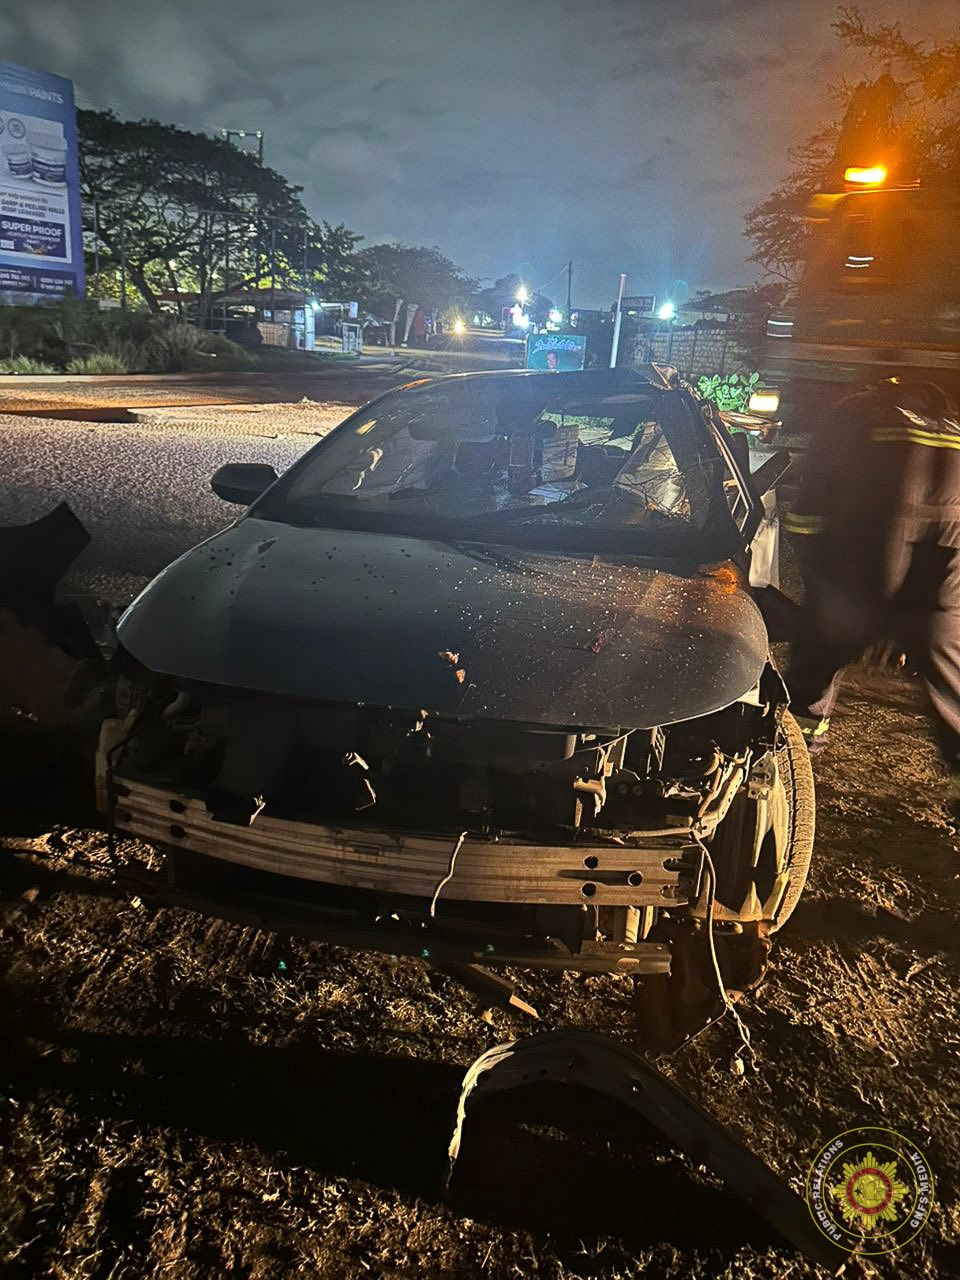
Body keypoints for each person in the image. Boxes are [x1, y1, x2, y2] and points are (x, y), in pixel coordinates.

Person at [784, 377, 960, 820]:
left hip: (868, 564)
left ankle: (793, 759)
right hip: (949, 573)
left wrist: (821, 589)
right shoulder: (953, 424)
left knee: (815, 663)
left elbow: (805, 515)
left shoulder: (851, 414)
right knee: (954, 691)